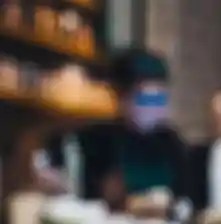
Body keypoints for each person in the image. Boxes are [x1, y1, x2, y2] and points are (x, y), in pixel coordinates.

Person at [42, 49, 187, 210]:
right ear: (121, 96)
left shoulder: (171, 142)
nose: (152, 108)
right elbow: (83, 191)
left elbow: (184, 196)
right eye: (145, 99)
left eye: (159, 100)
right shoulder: (96, 139)